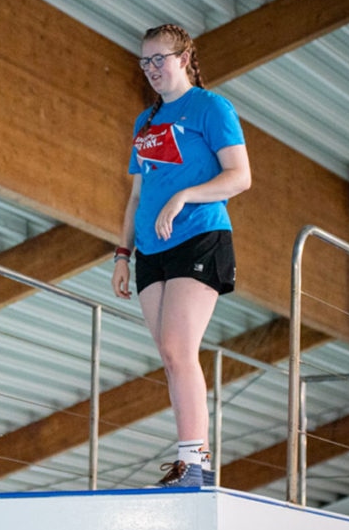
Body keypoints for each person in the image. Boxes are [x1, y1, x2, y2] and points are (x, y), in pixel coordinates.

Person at [111, 24, 251, 487]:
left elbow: (239, 177)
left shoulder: (212, 108)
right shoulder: (143, 123)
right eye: (144, 61)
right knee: (170, 358)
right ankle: (190, 459)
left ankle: (196, 464)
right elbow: (135, 197)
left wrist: (186, 195)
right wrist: (121, 254)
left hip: (200, 238)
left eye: (160, 59)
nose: (152, 69)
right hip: (151, 251)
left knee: (178, 348)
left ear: (185, 57)